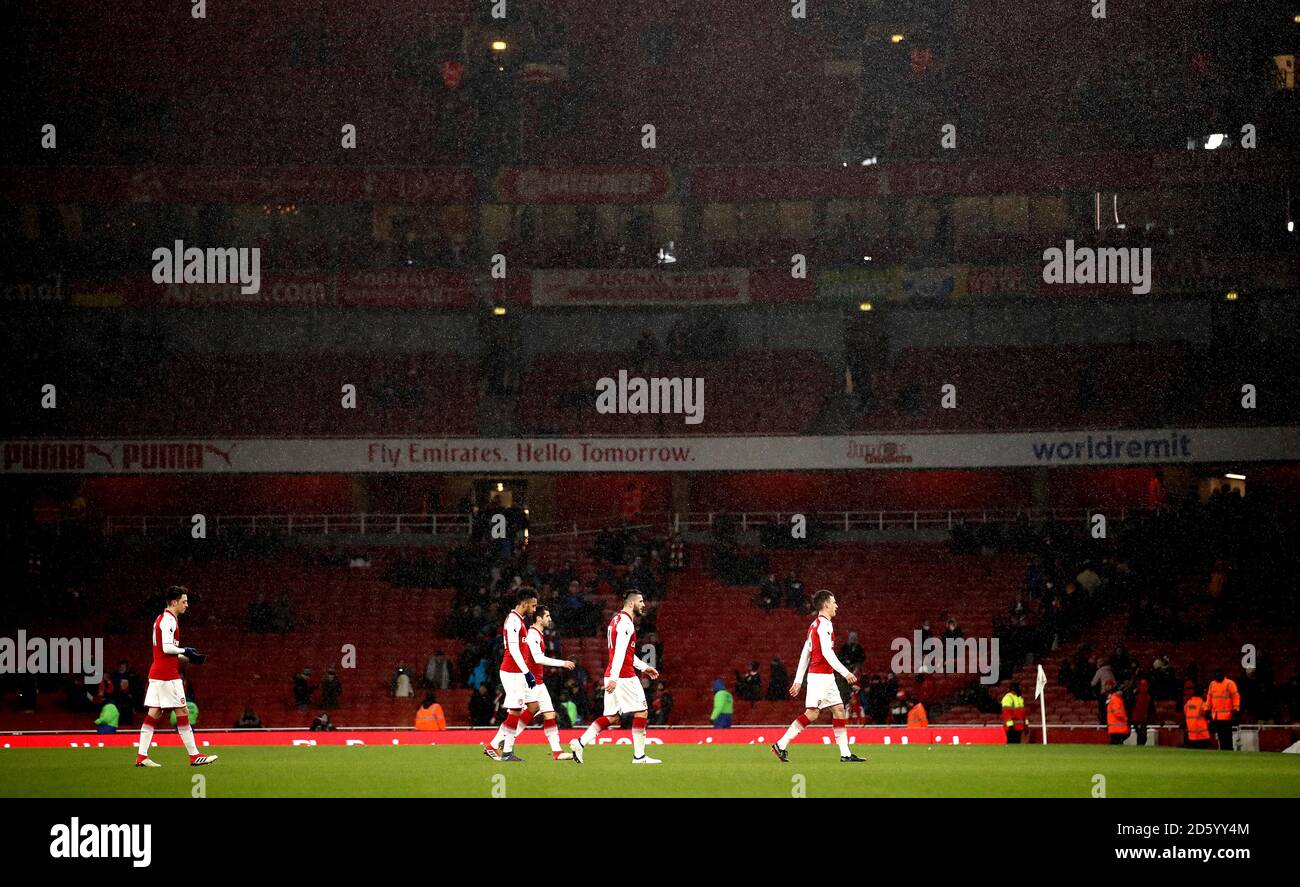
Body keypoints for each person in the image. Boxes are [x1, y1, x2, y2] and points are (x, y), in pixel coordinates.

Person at [569, 589, 662, 764]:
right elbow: (619, 652)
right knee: (641, 712)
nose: (643, 605)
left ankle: (580, 743)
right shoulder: (626, 624)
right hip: (623, 676)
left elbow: (626, 653)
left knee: (612, 717)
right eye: (640, 601)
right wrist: (614, 678)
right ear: (630, 603)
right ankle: (639, 756)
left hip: (614, 673)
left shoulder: (615, 621)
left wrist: (644, 667)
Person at [771, 590, 864, 763]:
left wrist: (799, 680)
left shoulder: (815, 625)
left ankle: (845, 754)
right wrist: (846, 673)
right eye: (834, 602)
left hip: (826, 677)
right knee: (812, 714)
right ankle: (781, 744)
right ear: (826, 604)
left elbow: (805, 653)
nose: (836, 605)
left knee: (839, 710)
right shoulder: (824, 625)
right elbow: (827, 653)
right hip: (819, 677)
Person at [134, 586, 217, 768]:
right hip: (167, 675)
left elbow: (165, 651)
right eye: (184, 601)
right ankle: (194, 756)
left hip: (157, 671)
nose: (187, 605)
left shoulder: (160, 619)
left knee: (154, 713)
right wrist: (185, 649)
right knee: (183, 711)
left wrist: (187, 657)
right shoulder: (169, 621)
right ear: (174, 602)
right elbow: (166, 648)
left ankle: (141, 756)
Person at [497, 604, 577, 760]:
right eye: (547, 616)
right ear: (539, 618)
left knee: (549, 714)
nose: (550, 619)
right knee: (525, 710)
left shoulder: (538, 634)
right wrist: (563, 663)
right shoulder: (532, 634)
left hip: (539, 682)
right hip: (530, 681)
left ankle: (557, 751)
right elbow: (537, 658)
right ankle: (505, 740)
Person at [485, 588, 540, 762]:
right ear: (524, 603)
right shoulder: (513, 621)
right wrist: (527, 673)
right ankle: (506, 751)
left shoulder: (520, 620)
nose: (534, 609)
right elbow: (514, 650)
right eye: (533, 605)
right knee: (515, 711)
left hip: (519, 672)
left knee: (533, 706)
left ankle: (497, 743)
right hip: (512, 672)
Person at [1207, 669, 1240, 750]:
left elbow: (1235, 697)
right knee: (1221, 737)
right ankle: (1224, 750)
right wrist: (1207, 709)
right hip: (1217, 716)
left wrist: (1236, 709)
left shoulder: (1229, 683)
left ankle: (1228, 750)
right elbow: (1209, 698)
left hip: (1227, 717)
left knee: (1227, 737)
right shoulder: (1212, 684)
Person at [1130, 678, 1152, 745]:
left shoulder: (1148, 697)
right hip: (1137, 719)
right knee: (1142, 735)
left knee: (1142, 736)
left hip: (1142, 719)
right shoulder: (1135, 696)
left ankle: (1139, 747)